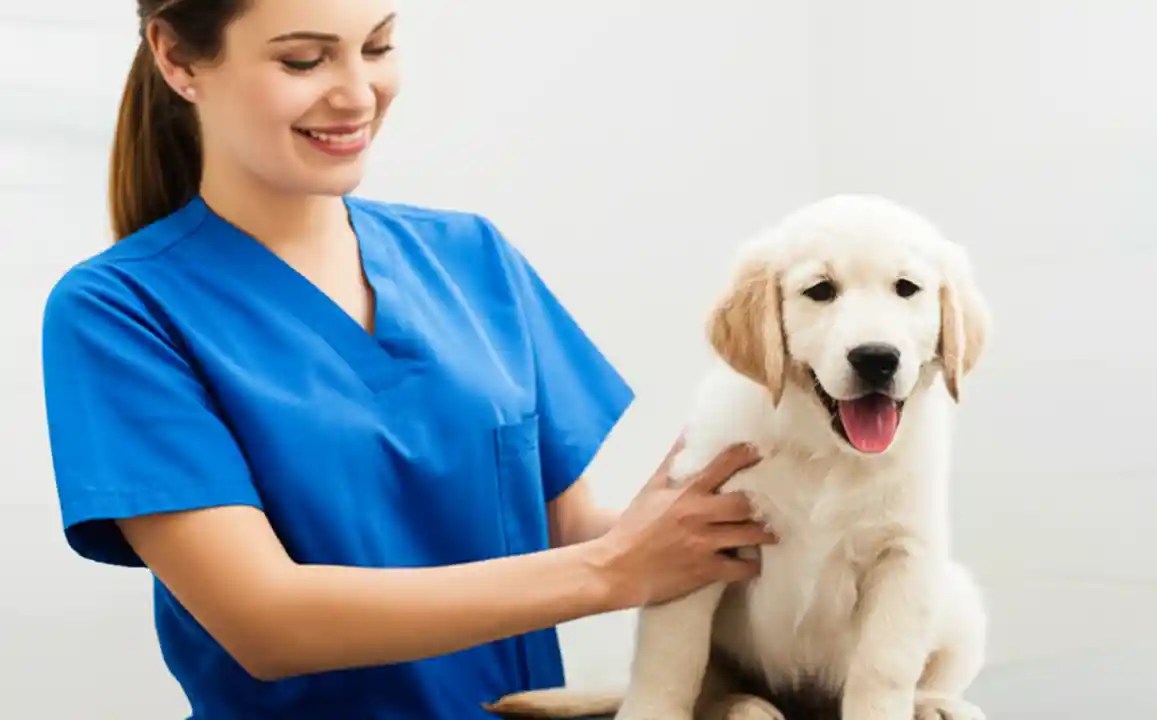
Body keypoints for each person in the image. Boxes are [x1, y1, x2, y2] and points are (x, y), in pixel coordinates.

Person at [39, 1, 777, 718]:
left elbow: (562, 529)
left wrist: (768, 535)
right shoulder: (120, 312)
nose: (357, 94)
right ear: (175, 56)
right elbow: (265, 622)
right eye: (304, 58)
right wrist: (613, 570)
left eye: (379, 46)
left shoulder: (471, 258)